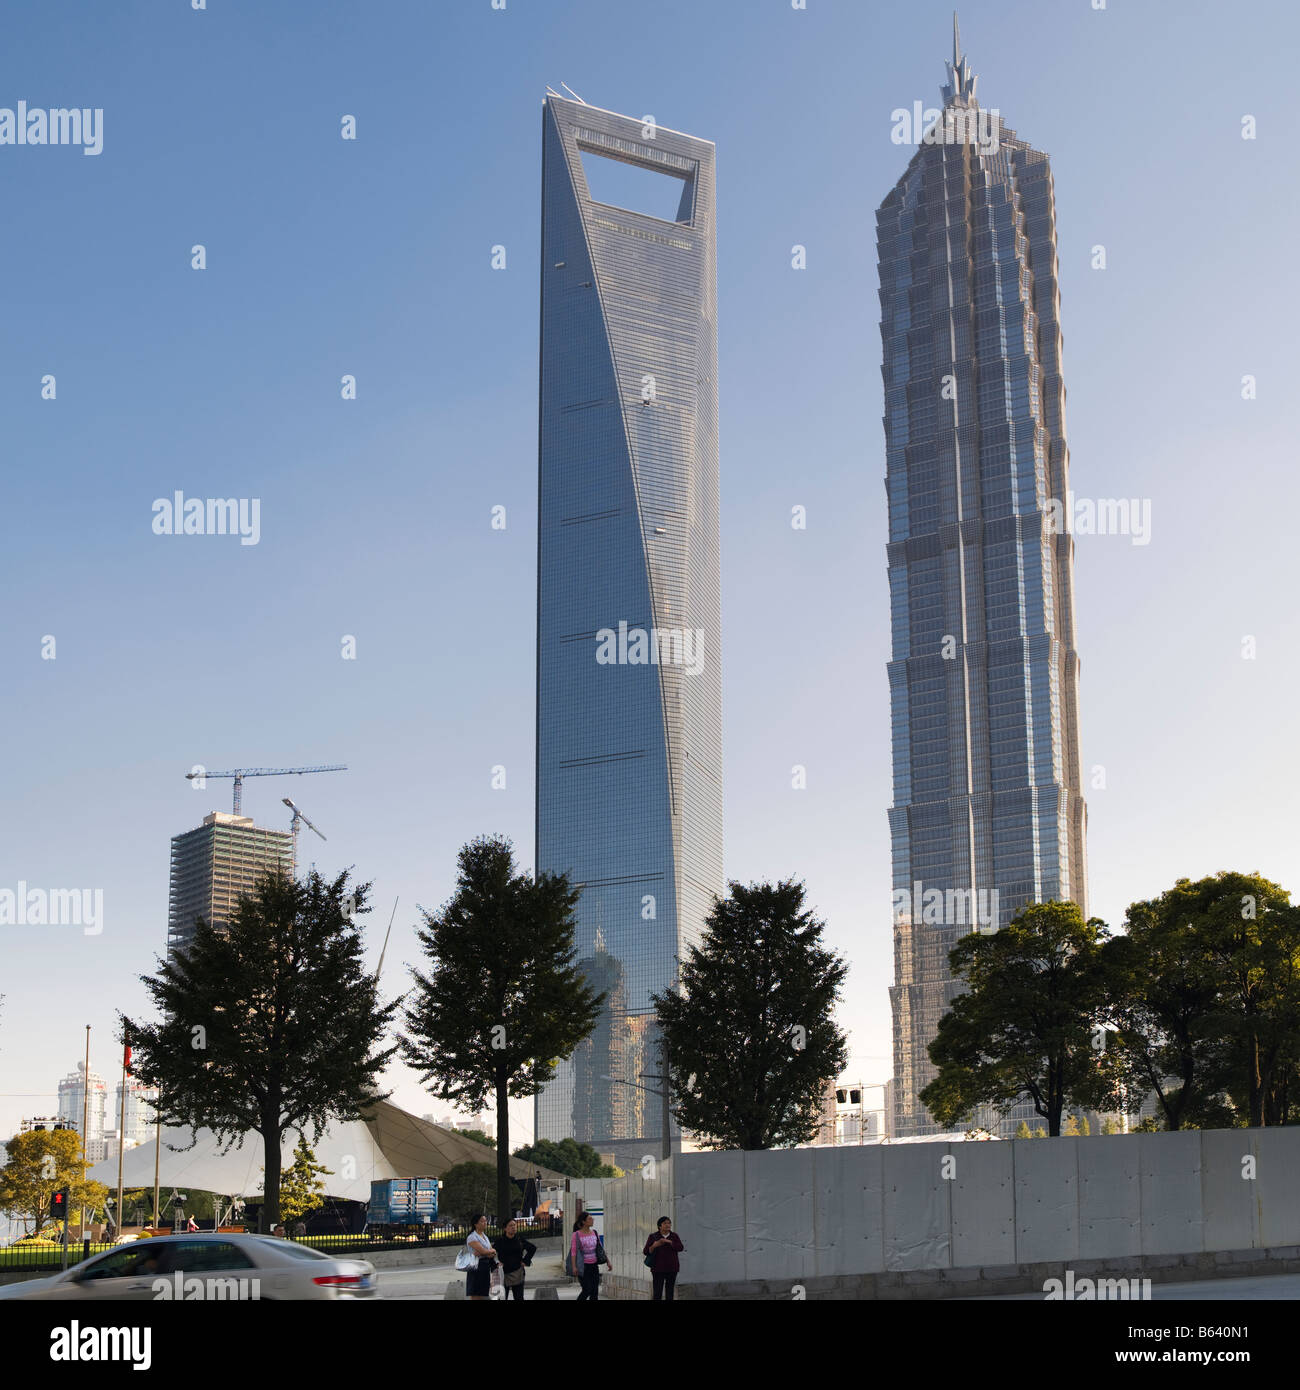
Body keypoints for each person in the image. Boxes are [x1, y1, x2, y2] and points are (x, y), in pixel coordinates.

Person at [570, 1212, 611, 1301]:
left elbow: (600, 1248)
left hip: (594, 1266)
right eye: (589, 1219)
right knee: (587, 1290)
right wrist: (574, 1267)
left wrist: (608, 1262)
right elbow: (573, 1252)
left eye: (592, 1218)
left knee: (594, 1292)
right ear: (583, 1222)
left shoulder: (594, 1233)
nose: (592, 1220)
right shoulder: (576, 1235)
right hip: (583, 1267)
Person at [643, 1217, 684, 1301]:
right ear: (659, 1226)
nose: (668, 1225)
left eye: (669, 1223)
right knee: (657, 1293)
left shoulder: (674, 1236)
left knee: (670, 1292)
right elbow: (646, 1251)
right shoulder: (653, 1236)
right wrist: (655, 1245)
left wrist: (670, 1242)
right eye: (665, 1223)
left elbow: (680, 1247)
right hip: (658, 1269)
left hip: (672, 1268)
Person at [495, 1218, 537, 1302]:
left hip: (518, 1272)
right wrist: (496, 1263)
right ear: (505, 1228)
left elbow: (532, 1248)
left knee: (519, 1297)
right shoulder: (500, 1241)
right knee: (502, 1297)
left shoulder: (519, 1239)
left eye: (514, 1225)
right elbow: (491, 1254)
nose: (513, 1227)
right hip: (503, 1273)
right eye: (510, 1225)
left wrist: (525, 1261)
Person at [465, 1212, 497, 1301]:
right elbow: (484, 1251)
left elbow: (491, 1253)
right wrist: (488, 1252)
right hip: (476, 1266)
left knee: (483, 1292)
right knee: (476, 1292)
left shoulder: (485, 1236)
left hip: (485, 1266)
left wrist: (488, 1252)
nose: (485, 1223)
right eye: (482, 1221)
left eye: (486, 1221)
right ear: (475, 1224)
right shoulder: (472, 1237)